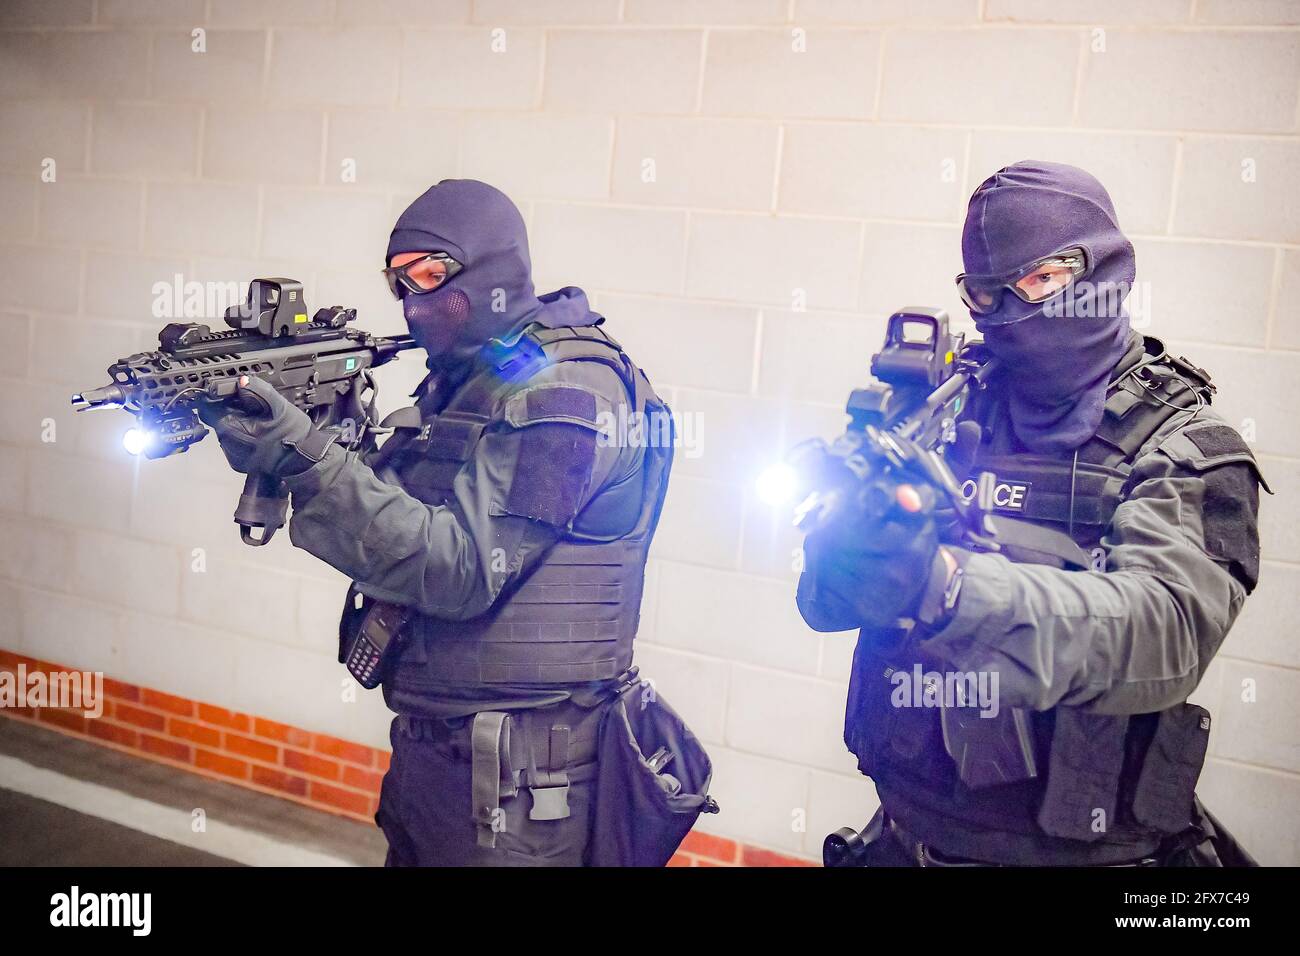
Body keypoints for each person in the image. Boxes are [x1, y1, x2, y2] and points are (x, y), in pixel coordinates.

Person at [797, 161, 1267, 866]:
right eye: (986, 293)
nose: (1014, 310)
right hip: (907, 830)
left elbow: (1163, 632)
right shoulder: (951, 405)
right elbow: (824, 604)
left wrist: (948, 588)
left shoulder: (1183, 443)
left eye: (1041, 280)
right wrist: (850, 552)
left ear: (1103, 269)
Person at [197, 179, 677, 865]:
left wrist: (307, 459)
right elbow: (408, 512)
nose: (417, 302)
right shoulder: (475, 382)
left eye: (432, 275)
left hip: (523, 783)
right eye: (399, 282)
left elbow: (462, 570)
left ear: (495, 270)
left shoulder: (566, 397)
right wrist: (314, 444)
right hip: (446, 757)